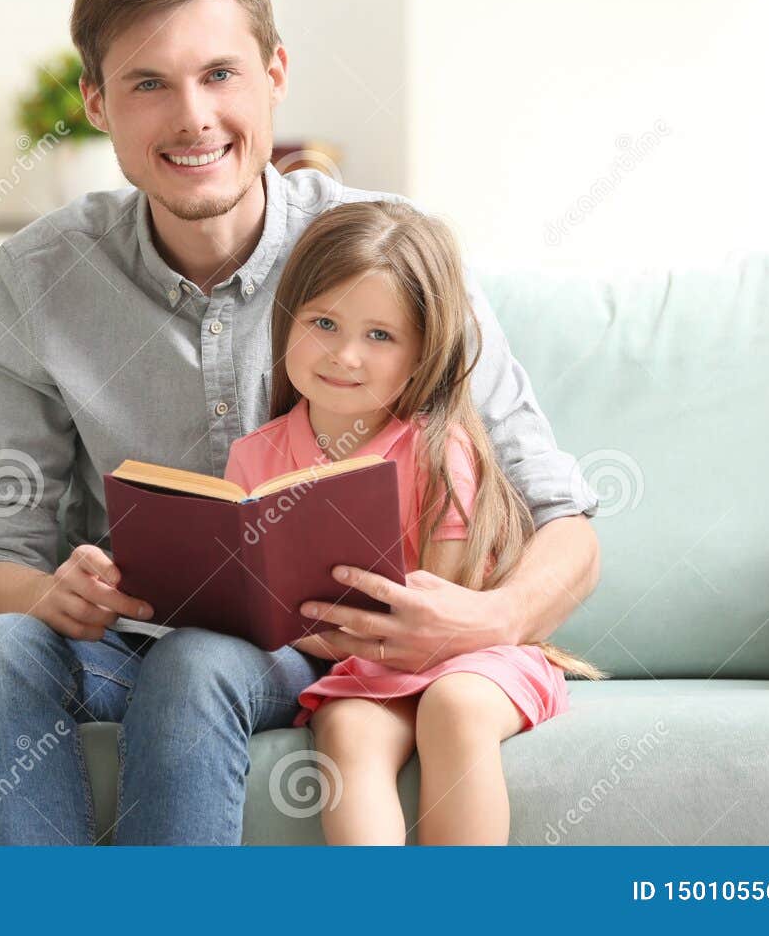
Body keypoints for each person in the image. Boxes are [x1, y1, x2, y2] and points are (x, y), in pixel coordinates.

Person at [0, 0, 601, 846]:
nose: (193, 117)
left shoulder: (389, 250)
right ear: (95, 101)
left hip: (328, 658)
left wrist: (486, 617)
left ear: (275, 75)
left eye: (219, 75)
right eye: (147, 84)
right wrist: (49, 595)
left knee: (202, 660)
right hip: (133, 650)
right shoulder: (37, 276)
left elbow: (563, 517)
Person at [224, 200, 607, 846]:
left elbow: (442, 602)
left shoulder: (438, 445)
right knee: (346, 729)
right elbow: (256, 599)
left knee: (455, 707)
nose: (344, 354)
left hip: (470, 653)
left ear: (420, 354)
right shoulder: (255, 455)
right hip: (363, 667)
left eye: (380, 335)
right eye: (323, 322)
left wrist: (317, 624)